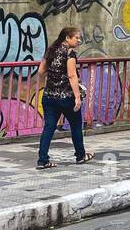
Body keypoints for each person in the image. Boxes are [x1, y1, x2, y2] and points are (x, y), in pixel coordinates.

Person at [34, 27, 93, 169]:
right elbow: (72, 76)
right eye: (76, 38)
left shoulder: (51, 50)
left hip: (49, 96)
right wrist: (77, 97)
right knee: (76, 125)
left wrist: (54, 74)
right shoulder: (70, 53)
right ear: (67, 38)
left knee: (48, 128)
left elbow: (41, 71)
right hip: (66, 97)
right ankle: (80, 155)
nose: (79, 40)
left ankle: (43, 160)